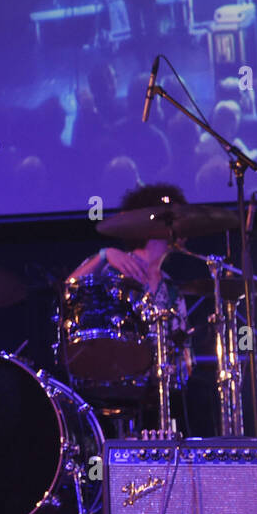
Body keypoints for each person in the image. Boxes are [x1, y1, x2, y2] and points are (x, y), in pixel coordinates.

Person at [64, 183, 193, 428]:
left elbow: (183, 351)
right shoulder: (115, 268)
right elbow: (70, 289)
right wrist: (104, 255)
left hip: (160, 397)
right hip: (114, 390)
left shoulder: (172, 287)